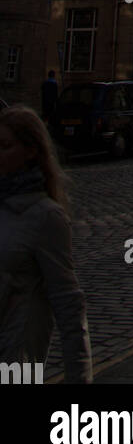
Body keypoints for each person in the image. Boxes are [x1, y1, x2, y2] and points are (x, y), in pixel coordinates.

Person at [0, 106, 92, 383]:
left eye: (5, 146)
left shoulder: (46, 216)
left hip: (15, 366)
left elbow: (69, 305)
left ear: (31, 151)